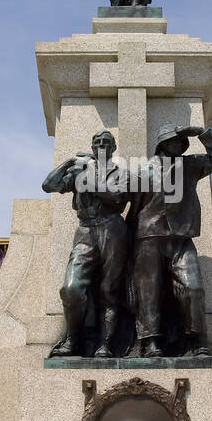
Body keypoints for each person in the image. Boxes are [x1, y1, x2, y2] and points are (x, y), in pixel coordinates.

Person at [128, 124, 212, 357]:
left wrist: (202, 133)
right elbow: (132, 206)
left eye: (182, 141)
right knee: (149, 291)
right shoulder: (144, 171)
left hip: (181, 237)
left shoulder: (191, 165)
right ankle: (150, 341)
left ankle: (196, 340)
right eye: (176, 140)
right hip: (149, 235)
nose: (181, 144)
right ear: (164, 143)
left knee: (192, 287)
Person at [43, 131, 131, 358]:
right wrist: (70, 162)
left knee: (109, 290)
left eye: (106, 142)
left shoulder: (121, 172)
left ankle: (106, 343)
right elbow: (49, 185)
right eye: (97, 142)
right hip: (85, 230)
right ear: (92, 147)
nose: (101, 145)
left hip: (112, 229)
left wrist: (89, 179)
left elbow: (117, 196)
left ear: (113, 147)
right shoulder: (78, 169)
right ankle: (72, 340)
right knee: (71, 289)